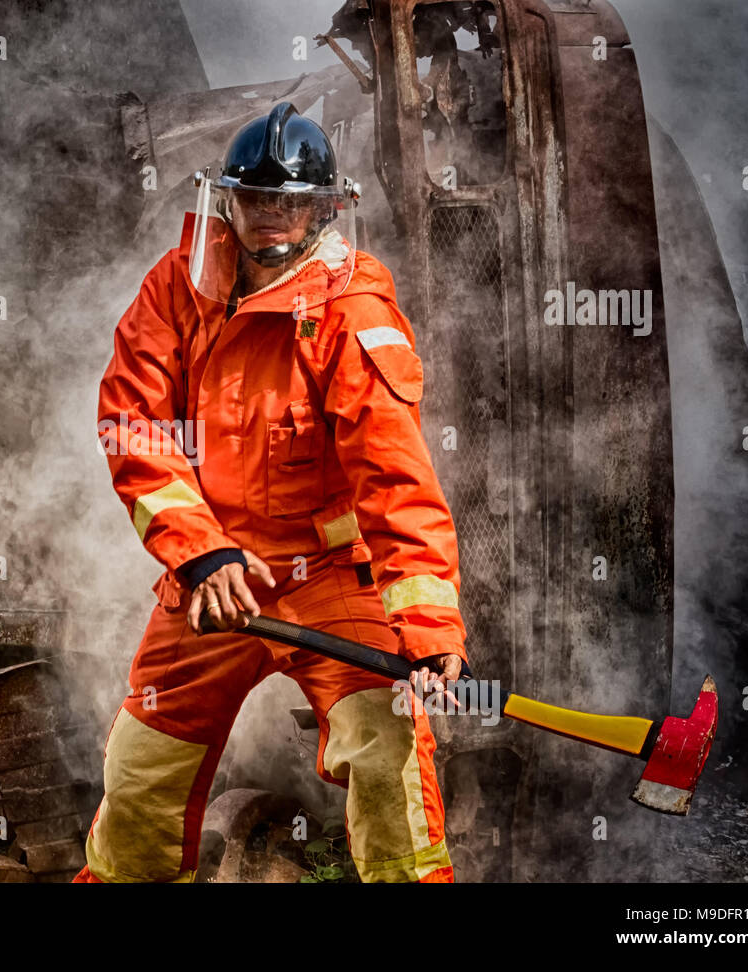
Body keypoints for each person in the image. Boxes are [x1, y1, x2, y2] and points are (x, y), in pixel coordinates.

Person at [75, 102, 469, 883]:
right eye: (256, 199)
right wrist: (201, 553)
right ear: (227, 200)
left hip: (329, 580)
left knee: (388, 755)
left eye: (290, 202)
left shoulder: (353, 312)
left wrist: (427, 625)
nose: (271, 218)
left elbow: (395, 476)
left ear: (325, 209)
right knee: (141, 776)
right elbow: (134, 426)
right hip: (215, 583)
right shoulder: (176, 288)